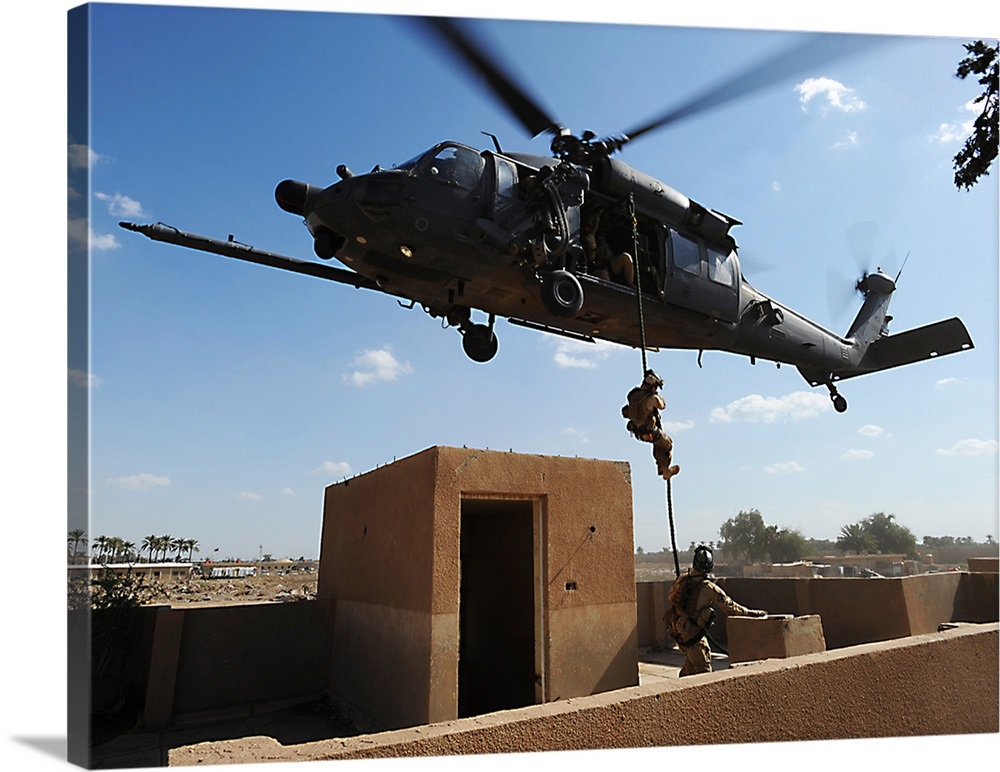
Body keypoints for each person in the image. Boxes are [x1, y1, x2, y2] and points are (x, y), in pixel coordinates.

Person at [664, 545, 767, 676]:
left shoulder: (683, 579)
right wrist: (751, 613)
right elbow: (731, 608)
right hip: (694, 636)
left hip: (677, 631)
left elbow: (671, 597)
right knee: (703, 672)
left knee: (690, 668)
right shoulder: (709, 588)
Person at [622, 369, 679, 480]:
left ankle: (660, 467)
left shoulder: (633, 396)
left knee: (657, 444)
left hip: (638, 433)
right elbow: (662, 405)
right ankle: (665, 469)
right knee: (668, 444)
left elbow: (627, 412)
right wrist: (657, 396)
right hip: (649, 432)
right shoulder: (651, 398)